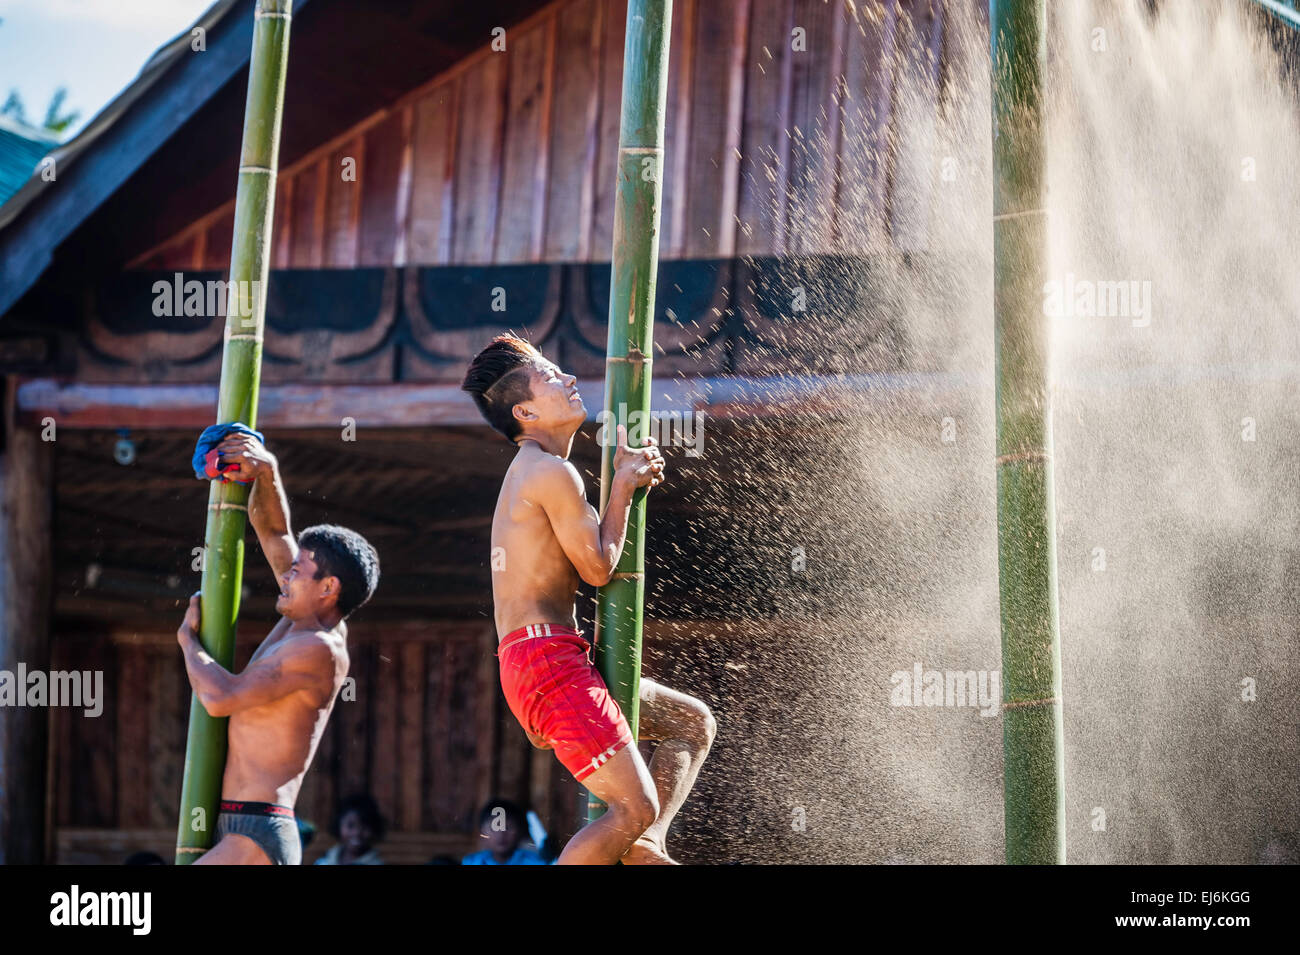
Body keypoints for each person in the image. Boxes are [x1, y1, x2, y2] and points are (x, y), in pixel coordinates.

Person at [461, 336, 716, 865]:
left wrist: (622, 486)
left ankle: (646, 844)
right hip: (546, 663)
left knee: (692, 724)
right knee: (631, 806)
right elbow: (598, 568)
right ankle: (639, 831)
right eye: (553, 377)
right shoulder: (549, 471)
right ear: (525, 411)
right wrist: (621, 489)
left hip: (553, 659)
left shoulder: (542, 469)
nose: (570, 380)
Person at [177, 428, 380, 865]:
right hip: (243, 821)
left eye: (298, 571)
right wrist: (265, 470)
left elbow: (219, 697)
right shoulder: (302, 619)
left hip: (257, 827)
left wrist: (187, 640)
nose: (286, 576)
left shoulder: (321, 648)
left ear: (328, 587)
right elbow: (272, 529)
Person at [461, 799, 548, 865]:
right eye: (494, 828)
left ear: (520, 831)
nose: (501, 834)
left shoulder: (534, 862)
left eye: (508, 827)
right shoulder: (472, 862)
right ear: (482, 833)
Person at [314, 794, 386, 865]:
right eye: (350, 826)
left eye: (364, 827)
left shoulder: (376, 863)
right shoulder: (325, 860)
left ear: (374, 829)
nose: (357, 833)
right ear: (338, 825)